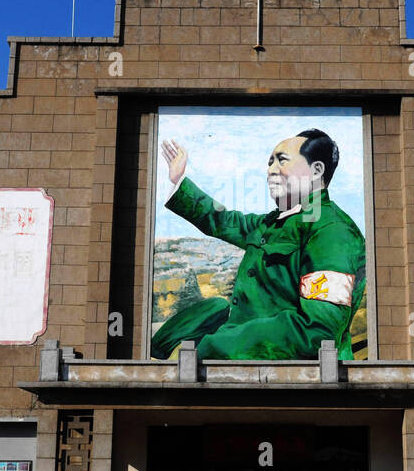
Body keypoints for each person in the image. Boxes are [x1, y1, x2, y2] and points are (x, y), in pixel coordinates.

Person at [152, 128, 366, 361]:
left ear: (316, 171)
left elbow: (317, 333)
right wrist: (178, 181)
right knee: (213, 307)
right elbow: (223, 220)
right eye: (270, 162)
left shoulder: (333, 231)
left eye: (281, 160)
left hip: (288, 376)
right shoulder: (276, 222)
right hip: (245, 354)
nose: (270, 170)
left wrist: (212, 347)